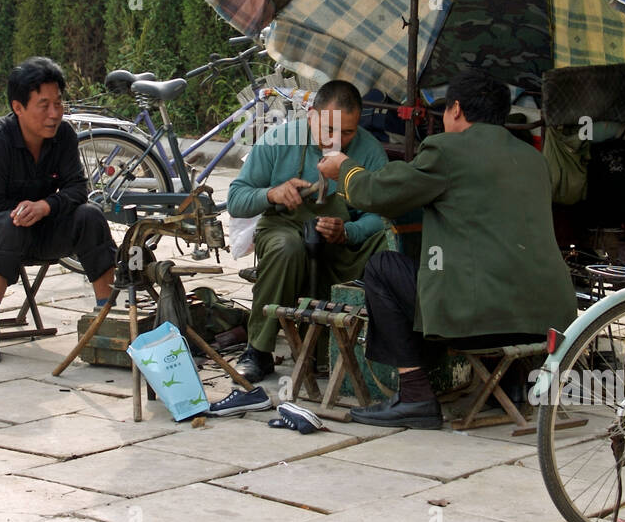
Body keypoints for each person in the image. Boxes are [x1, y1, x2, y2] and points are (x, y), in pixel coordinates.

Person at [316, 68, 577, 428]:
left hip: (484, 318)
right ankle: (514, 384)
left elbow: (376, 193)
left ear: (455, 109)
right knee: (480, 268)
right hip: (546, 318)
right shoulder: (534, 159)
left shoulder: (447, 149)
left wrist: (344, 167)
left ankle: (415, 395)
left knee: (382, 269)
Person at [224, 80, 390, 388]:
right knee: (288, 247)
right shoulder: (278, 140)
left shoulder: (370, 152)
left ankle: (377, 351)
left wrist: (349, 231)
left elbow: (382, 216)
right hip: (285, 229)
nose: (337, 141)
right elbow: (236, 200)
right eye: (329, 129)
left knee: (389, 245)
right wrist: (272, 194)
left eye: (348, 132)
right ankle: (258, 350)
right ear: (311, 115)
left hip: (341, 243)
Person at [0, 57, 118, 364]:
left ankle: (107, 316)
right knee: (8, 225)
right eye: (44, 105)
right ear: (18, 107)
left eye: (58, 104)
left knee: (90, 215)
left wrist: (46, 206)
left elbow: (77, 187)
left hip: (43, 229)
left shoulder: (62, 136)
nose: (54, 114)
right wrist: (22, 212)